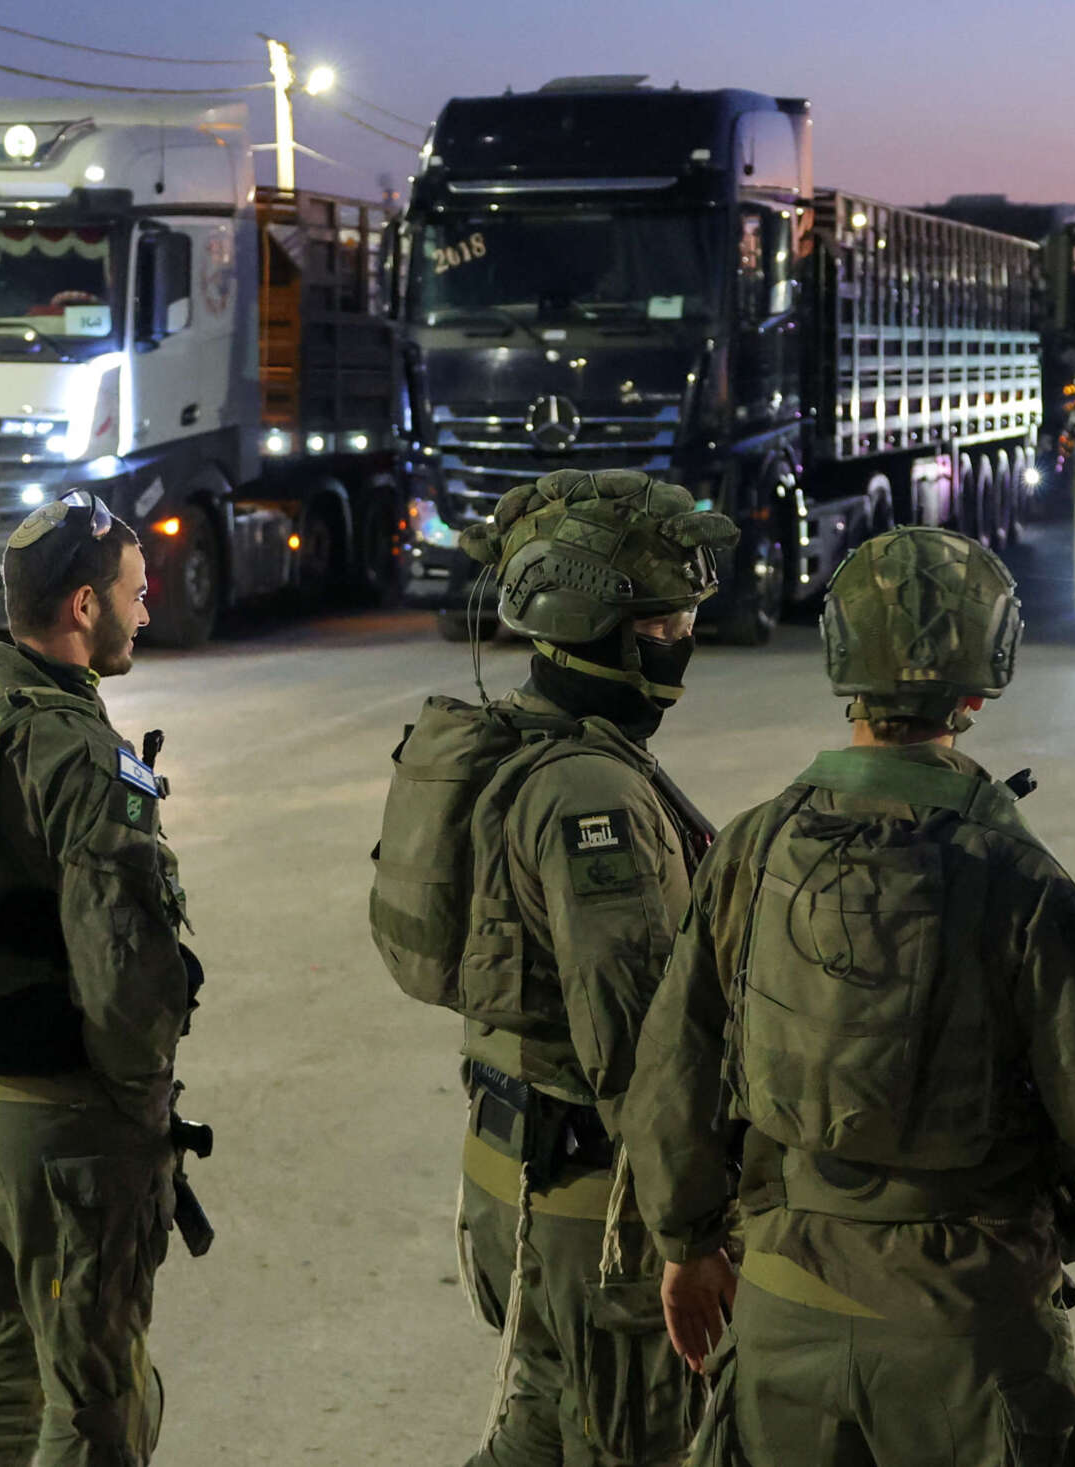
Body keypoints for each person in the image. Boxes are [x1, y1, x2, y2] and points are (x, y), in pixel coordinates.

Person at [624, 526, 1075, 1467]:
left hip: (786, 1311)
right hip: (968, 1333)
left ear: (842, 661)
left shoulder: (754, 843)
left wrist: (686, 1242)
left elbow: (674, 1065)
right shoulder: (1017, 871)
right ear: (981, 683)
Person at [442, 469, 739, 1467]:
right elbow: (638, 1042)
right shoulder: (590, 795)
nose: (680, 642)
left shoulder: (536, 737)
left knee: (537, 1431)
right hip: (595, 1217)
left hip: (519, 1171)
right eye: (660, 624)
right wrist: (691, 1231)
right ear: (591, 626)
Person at [0, 492, 201, 1466]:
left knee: (1, 1368)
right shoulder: (86, 755)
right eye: (136, 593)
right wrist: (143, 1113)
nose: (146, 612)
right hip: (51, 1124)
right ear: (85, 606)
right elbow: (124, 969)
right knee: (95, 1402)